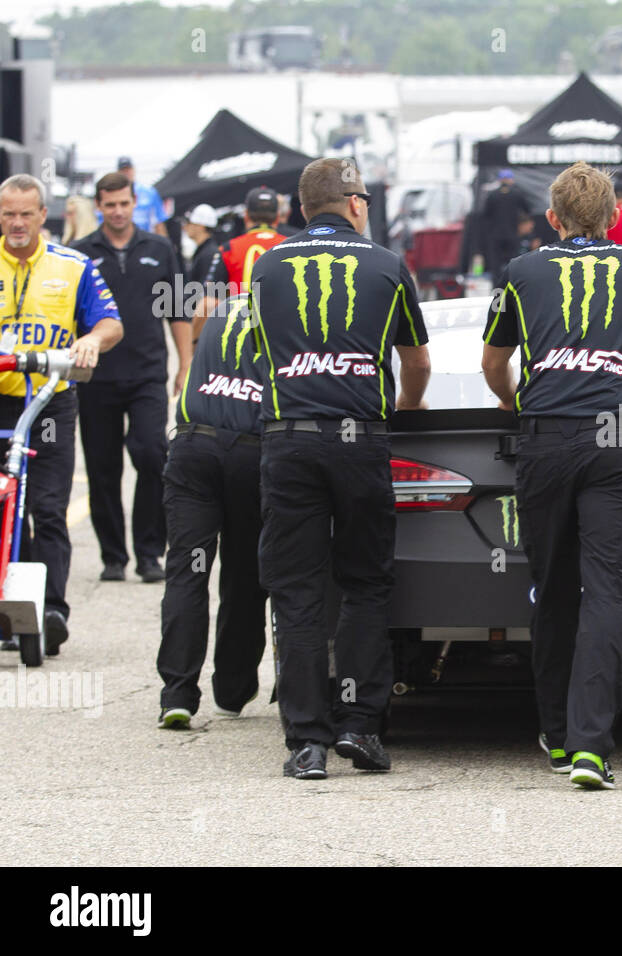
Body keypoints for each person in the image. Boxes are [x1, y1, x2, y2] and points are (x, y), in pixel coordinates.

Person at [481, 161, 622, 791]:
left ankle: (555, 733)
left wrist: (516, 403)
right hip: (615, 435)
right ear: (617, 216)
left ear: (552, 219)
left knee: (552, 589)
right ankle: (592, 746)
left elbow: (494, 362)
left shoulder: (521, 271)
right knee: (606, 592)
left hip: (543, 439)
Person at [252, 157, 431, 779]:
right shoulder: (386, 264)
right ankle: (359, 725)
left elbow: (259, 354)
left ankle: (306, 742)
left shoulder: (267, 265)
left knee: (297, 592)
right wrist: (405, 408)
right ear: (354, 203)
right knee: (364, 584)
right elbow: (417, 362)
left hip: (289, 441)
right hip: (361, 441)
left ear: (303, 209)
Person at [0, 175, 124, 653]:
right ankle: (13, 605)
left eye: (25, 214)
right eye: (8, 213)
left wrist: (91, 340)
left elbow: (111, 322)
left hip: (48, 398)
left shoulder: (73, 265)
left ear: (41, 214)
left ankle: (50, 610)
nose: (16, 223)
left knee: (47, 508)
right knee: (7, 509)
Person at [72, 172, 191, 584]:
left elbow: (179, 309)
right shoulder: (80, 253)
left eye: (124, 203)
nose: (118, 211)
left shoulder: (159, 248)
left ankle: (148, 552)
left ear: (134, 203)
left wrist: (186, 365)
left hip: (147, 375)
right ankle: (113, 556)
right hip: (95, 377)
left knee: (151, 454)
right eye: (110, 205)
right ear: (99, 206)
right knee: (102, 468)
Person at [156, 292, 267, 729]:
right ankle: (232, 690)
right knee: (243, 574)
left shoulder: (214, 306)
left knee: (186, 570)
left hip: (192, 444)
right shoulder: (293, 314)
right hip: (251, 450)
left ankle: (177, 693)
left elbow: (199, 344)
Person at [199, 187, 286, 340]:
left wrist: (194, 344)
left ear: (246, 216)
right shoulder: (291, 246)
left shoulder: (228, 249)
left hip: (239, 338)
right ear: (277, 217)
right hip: (282, 337)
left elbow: (208, 304)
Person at [481, 169, 531, 282]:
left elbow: (486, 215)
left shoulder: (492, 195)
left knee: (495, 264)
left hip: (495, 235)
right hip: (512, 234)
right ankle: (512, 285)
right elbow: (527, 210)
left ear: (500, 180)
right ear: (511, 180)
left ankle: (496, 289)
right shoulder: (517, 194)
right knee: (513, 262)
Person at [113, 157, 168, 236]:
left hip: (146, 240)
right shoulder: (113, 194)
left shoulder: (149, 192)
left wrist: (164, 244)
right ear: (118, 172)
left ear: (133, 170)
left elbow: (159, 222)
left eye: (128, 169)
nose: (126, 173)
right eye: (123, 170)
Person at [183, 204, 220, 287]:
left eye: (189, 223)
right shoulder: (203, 251)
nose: (185, 227)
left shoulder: (209, 254)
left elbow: (204, 289)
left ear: (201, 226)